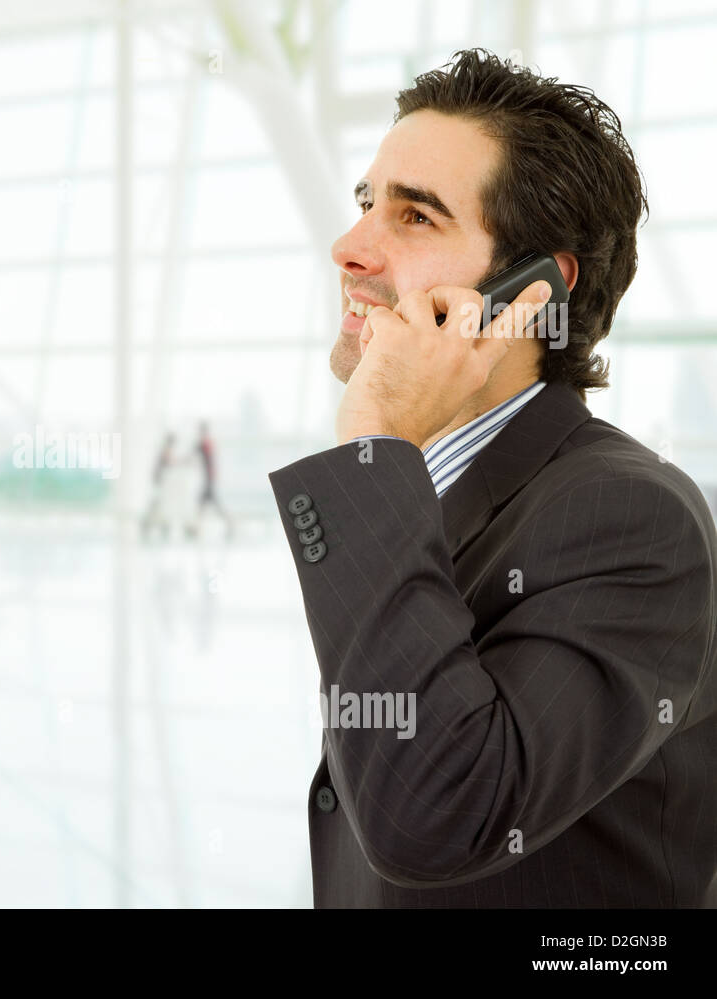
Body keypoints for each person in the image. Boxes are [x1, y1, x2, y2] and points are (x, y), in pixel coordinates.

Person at [267, 49, 717, 907]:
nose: (350, 247)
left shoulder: (632, 516)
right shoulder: (430, 494)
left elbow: (435, 815)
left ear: (534, 291)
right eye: (367, 203)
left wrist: (372, 440)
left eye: (415, 217)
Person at [191, 420, 232, 539]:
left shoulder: (204, 444)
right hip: (209, 480)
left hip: (208, 481)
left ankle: (196, 528)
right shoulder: (207, 444)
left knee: (208, 504)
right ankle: (196, 528)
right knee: (206, 504)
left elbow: (194, 456)